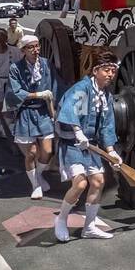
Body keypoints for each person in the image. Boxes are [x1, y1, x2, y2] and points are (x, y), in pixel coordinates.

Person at [53, 52, 122, 242]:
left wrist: (111, 151)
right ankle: (61, 219)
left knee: (98, 182)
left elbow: (107, 125)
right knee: (81, 183)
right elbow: (71, 110)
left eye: (113, 71)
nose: (110, 75)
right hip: (73, 144)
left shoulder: (105, 95)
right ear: (95, 71)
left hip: (90, 145)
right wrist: (78, 132)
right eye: (107, 70)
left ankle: (89, 227)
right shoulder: (83, 89)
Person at [6, 34, 59, 200]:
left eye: (37, 46)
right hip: (26, 112)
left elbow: (54, 85)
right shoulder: (15, 68)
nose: (36, 50)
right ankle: (35, 185)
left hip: (43, 111)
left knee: (48, 151)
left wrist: (55, 106)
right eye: (31, 47)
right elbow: (16, 92)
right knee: (31, 153)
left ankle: (39, 175)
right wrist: (37, 94)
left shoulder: (45, 64)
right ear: (23, 50)